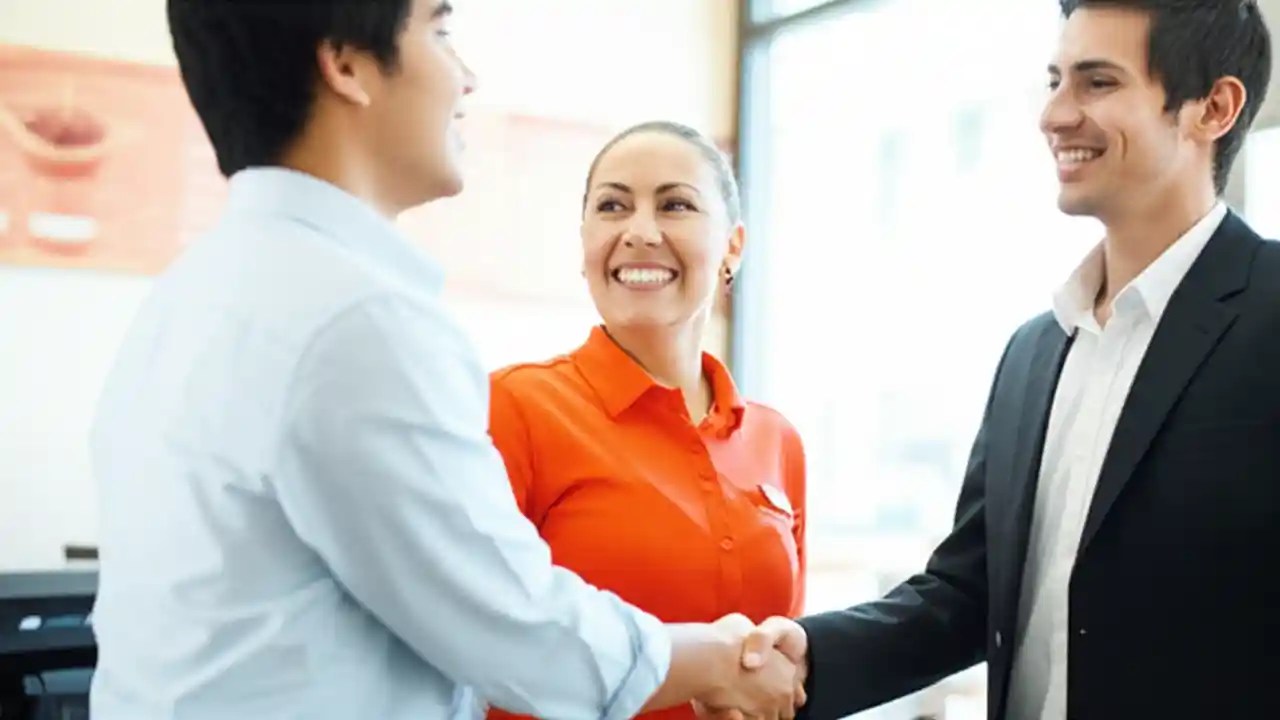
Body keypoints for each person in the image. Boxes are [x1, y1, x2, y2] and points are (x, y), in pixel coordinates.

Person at [88, 2, 804, 719]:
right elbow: (515, 625)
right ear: (346, 64)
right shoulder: (355, 320)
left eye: (677, 206)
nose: (466, 78)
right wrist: (715, 663)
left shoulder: (200, 289)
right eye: (440, 32)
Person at [735, 1, 1279, 719]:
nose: (1054, 114)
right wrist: (812, 656)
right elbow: (969, 593)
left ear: (1214, 106)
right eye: (1055, 79)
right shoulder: (1034, 351)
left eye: (1097, 82)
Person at [484, 121, 807, 720]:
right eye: (612, 206)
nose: (639, 232)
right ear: (584, 242)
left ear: (733, 245)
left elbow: (780, 665)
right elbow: (477, 644)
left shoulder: (776, 441)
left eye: (675, 205)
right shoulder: (512, 408)